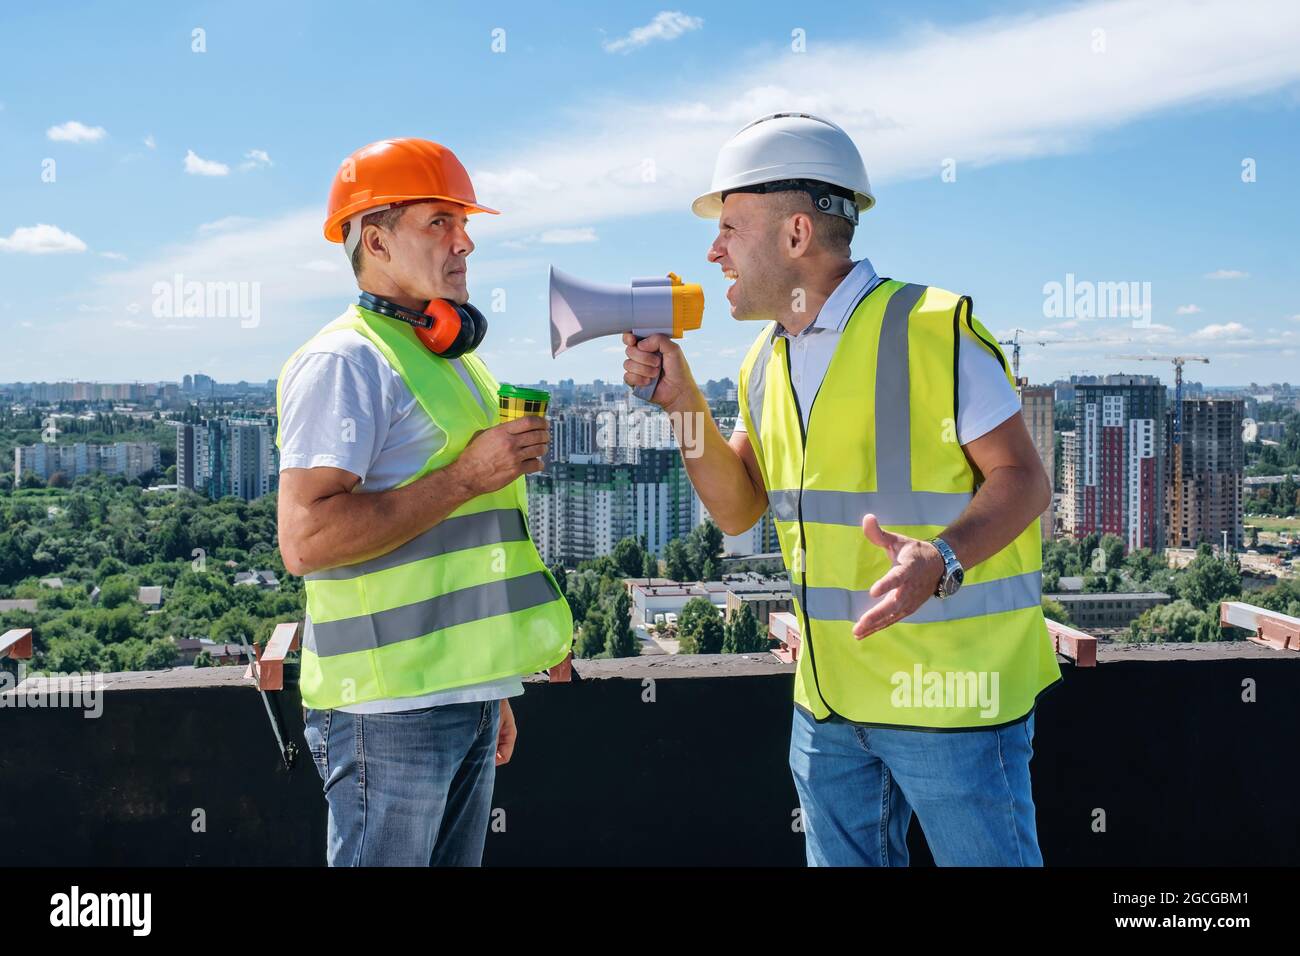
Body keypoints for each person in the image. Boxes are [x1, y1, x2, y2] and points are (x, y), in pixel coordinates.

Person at [622, 113, 1062, 866]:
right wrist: (680, 401)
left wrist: (942, 560)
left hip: (952, 706)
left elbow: (1024, 479)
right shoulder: (766, 361)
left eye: (730, 226)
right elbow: (736, 508)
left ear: (796, 234)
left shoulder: (932, 328)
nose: (713, 250)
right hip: (827, 711)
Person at [276, 137, 572, 866]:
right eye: (439, 221)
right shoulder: (345, 361)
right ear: (375, 240)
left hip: (455, 698)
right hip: (384, 712)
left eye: (463, 222)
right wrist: (468, 476)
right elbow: (306, 539)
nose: (464, 240)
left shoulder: (453, 359)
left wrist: (489, 689)